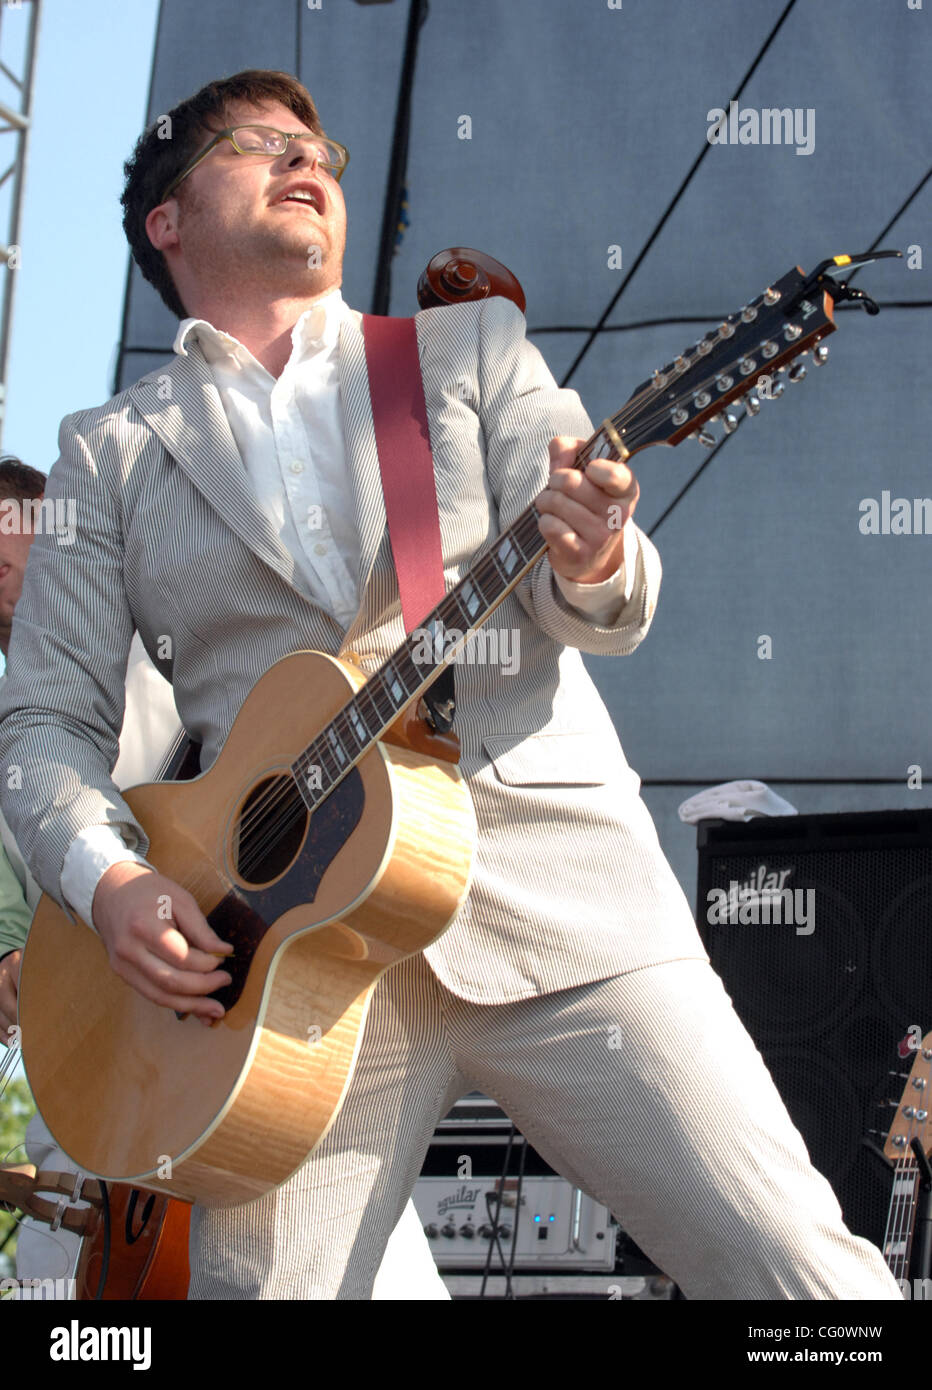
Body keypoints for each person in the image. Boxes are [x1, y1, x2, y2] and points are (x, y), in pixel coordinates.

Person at [0, 69, 902, 1300]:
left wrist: (592, 552)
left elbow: (601, 591)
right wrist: (109, 881)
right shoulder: (105, 452)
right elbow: (46, 720)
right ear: (168, 218)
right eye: (258, 143)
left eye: (318, 148)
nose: (306, 159)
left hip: (554, 895)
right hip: (280, 979)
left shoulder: (464, 352)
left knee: (792, 1265)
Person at [0, 454, 448, 1299]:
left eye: (10, 526)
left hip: (247, 1046)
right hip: (96, 1090)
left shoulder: (174, 655)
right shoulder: (20, 733)